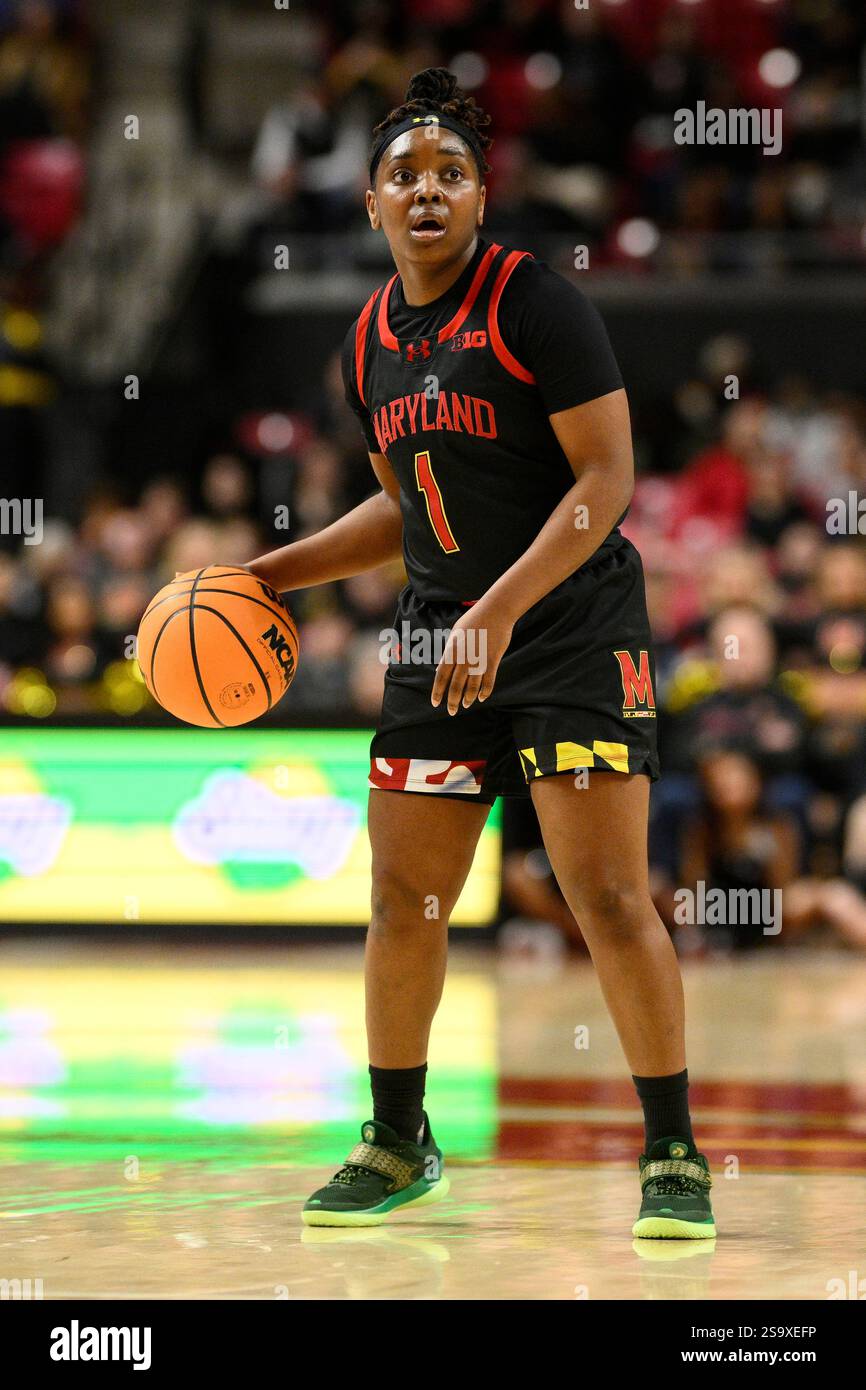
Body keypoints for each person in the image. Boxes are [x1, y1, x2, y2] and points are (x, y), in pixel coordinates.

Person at [242, 68, 715, 1239]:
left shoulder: (532, 304)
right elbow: (401, 505)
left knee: (604, 893)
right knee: (406, 895)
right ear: (367, 204)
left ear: (480, 194)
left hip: (565, 628)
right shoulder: (366, 342)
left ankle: (671, 1151)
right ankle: (397, 1137)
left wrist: (498, 611)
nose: (426, 192)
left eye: (449, 174)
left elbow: (606, 483)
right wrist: (267, 574)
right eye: (403, 175)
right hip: (439, 631)